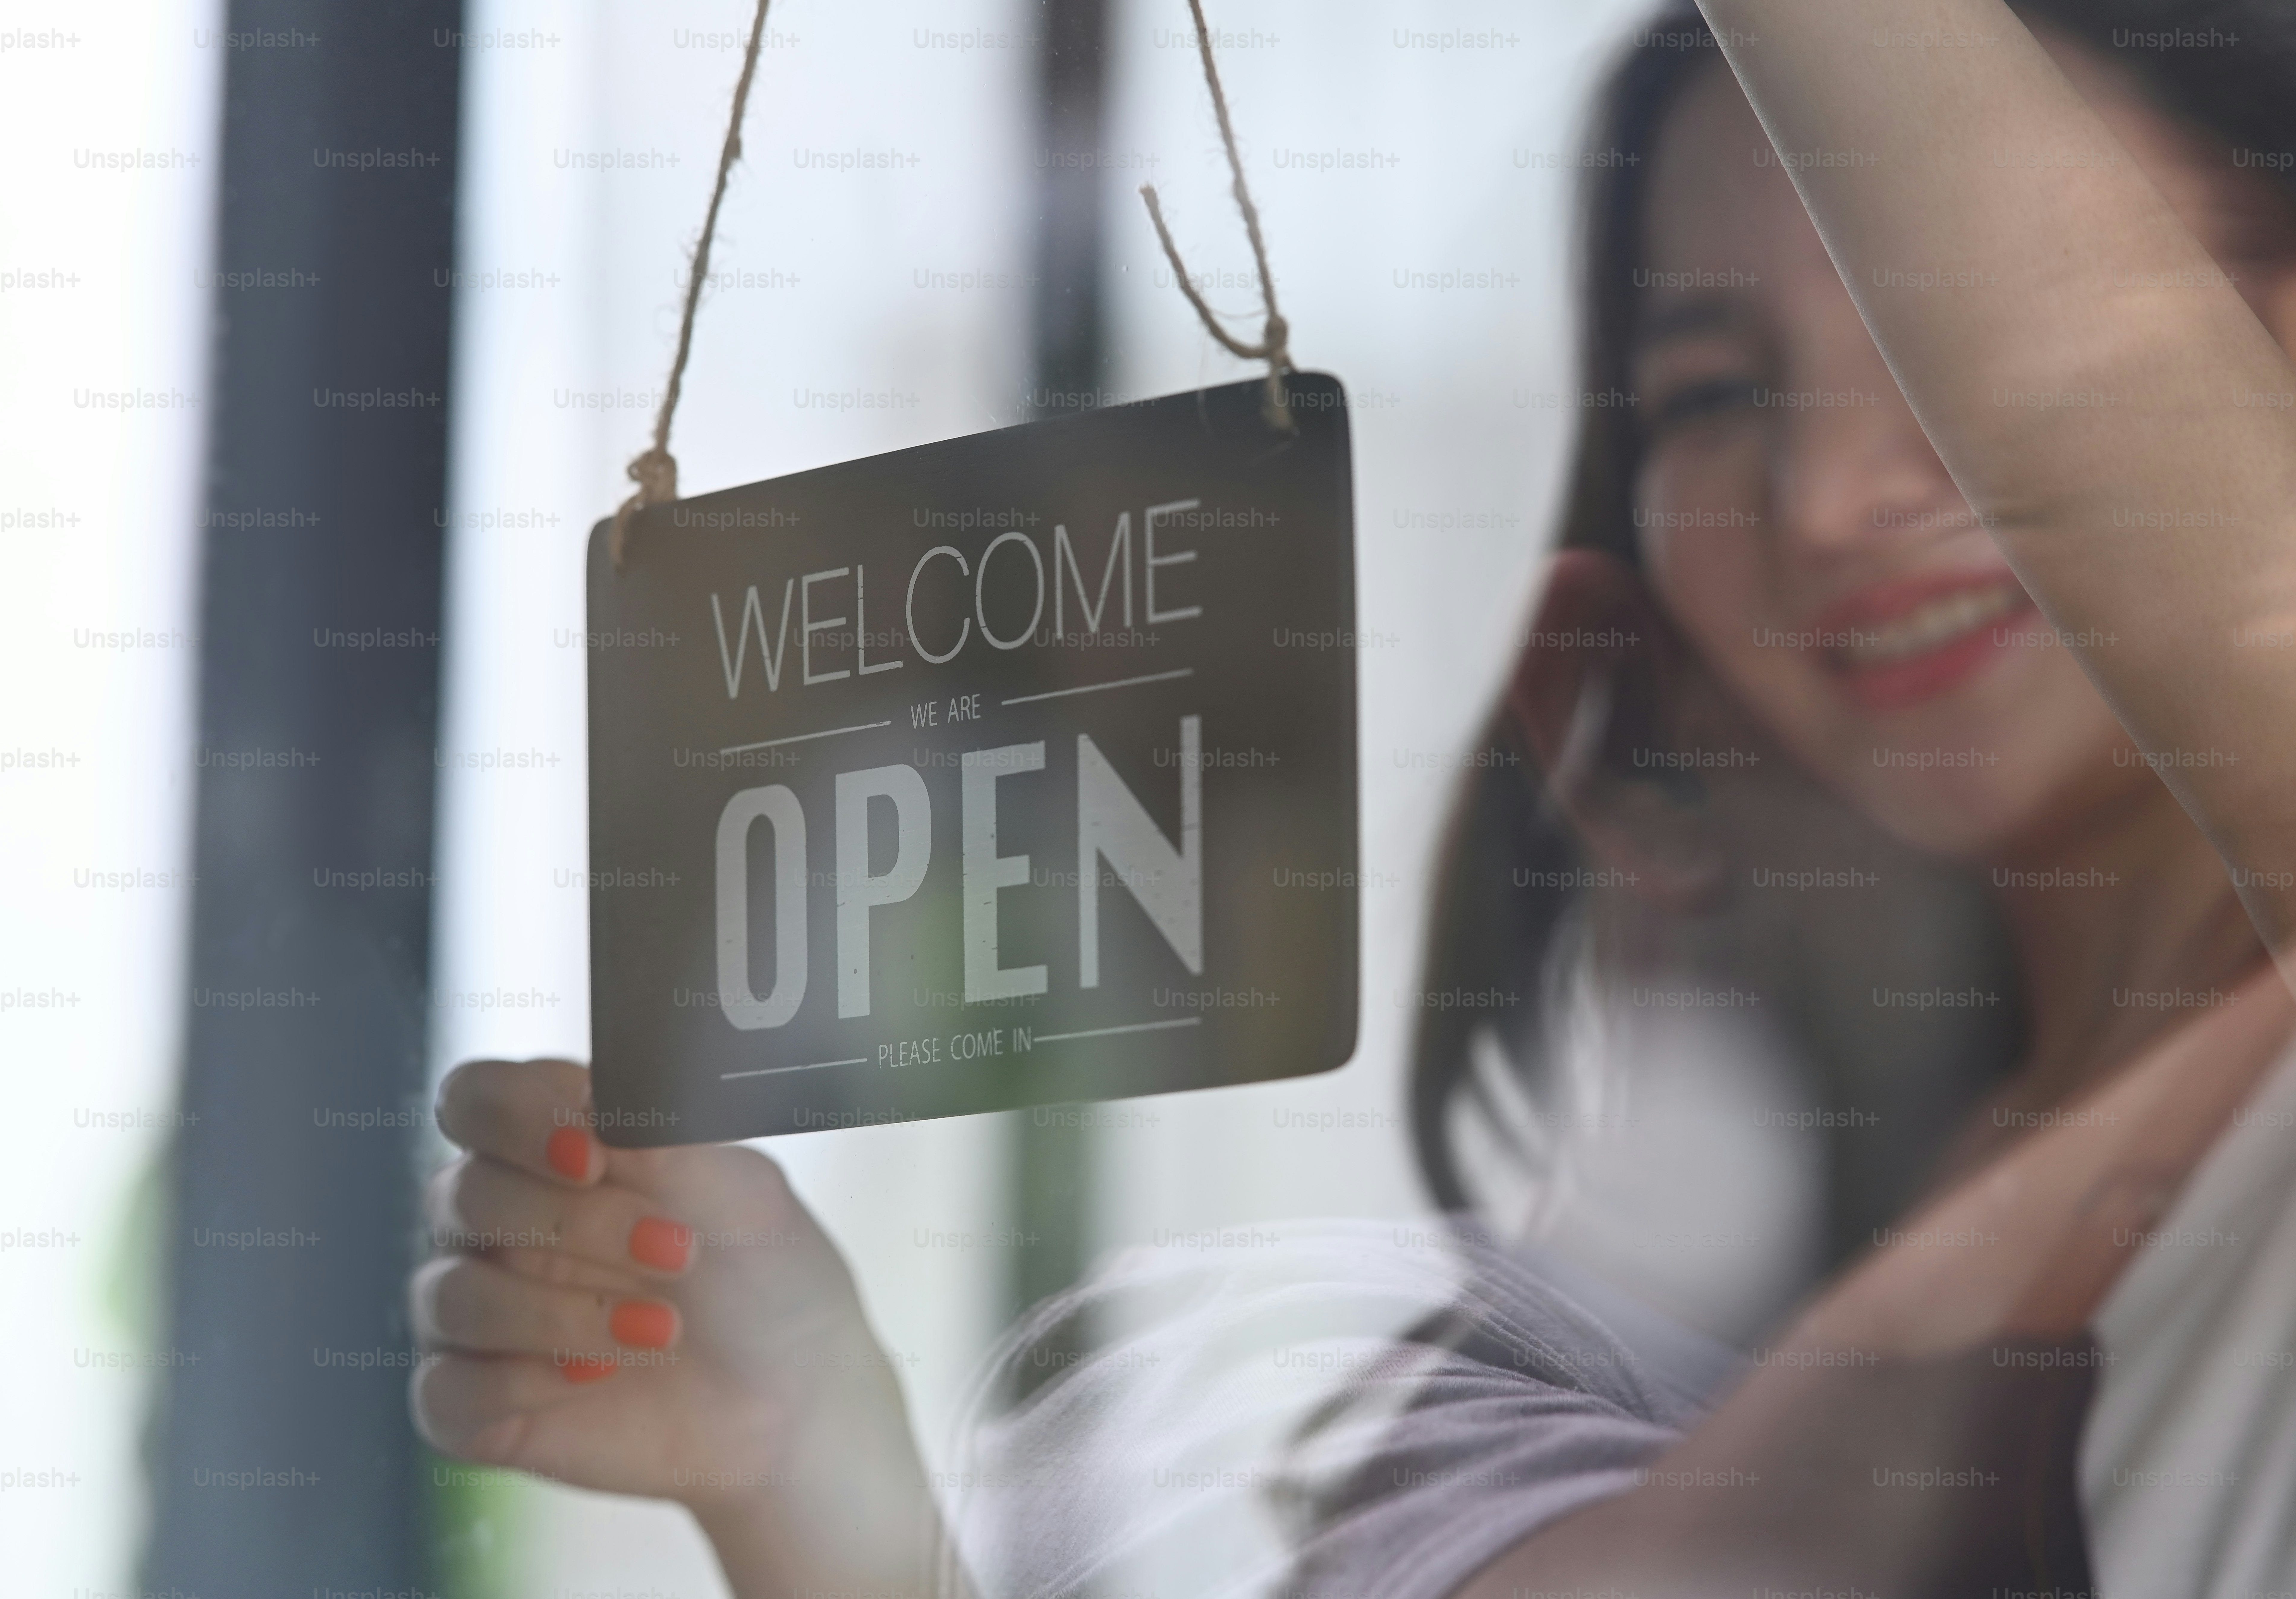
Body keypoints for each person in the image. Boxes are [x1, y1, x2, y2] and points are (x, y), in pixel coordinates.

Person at [408, 1, 2296, 1593]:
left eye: (1943, 341)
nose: (1827, 496)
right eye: (1714, 395)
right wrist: (812, 1480)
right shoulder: (1602, 1330)